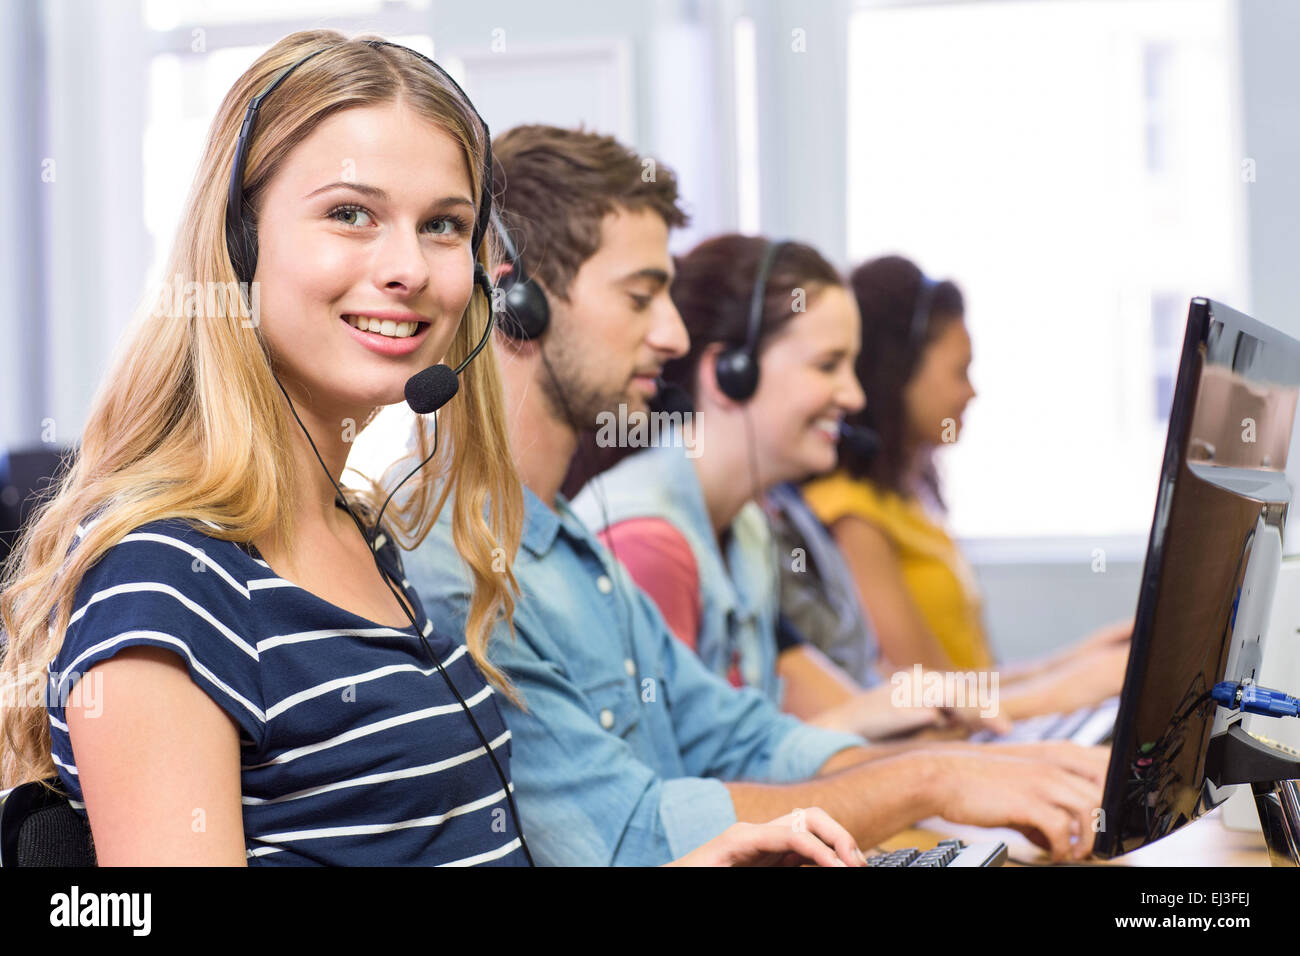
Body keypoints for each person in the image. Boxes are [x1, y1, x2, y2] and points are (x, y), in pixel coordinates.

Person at [0, 32, 857, 869]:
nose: (407, 266)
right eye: (350, 214)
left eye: (444, 225)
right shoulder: (165, 580)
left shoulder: (360, 534)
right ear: (239, 244)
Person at [404, 125, 1106, 867]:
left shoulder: (575, 546)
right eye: (642, 297)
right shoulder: (456, 560)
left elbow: (739, 736)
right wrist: (930, 779)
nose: (673, 335)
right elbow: (628, 832)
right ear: (515, 301)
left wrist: (962, 772)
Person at [570, 234, 1116, 740]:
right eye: (828, 365)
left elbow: (790, 739)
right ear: (731, 373)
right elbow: (692, 789)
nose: (854, 396)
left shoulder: (751, 528)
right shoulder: (648, 541)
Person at [800, 255, 1129, 711]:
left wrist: (1077, 662)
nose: (971, 392)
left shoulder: (909, 498)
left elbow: (965, 684)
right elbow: (936, 699)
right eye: (959, 371)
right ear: (899, 376)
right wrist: (1072, 683)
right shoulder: (850, 514)